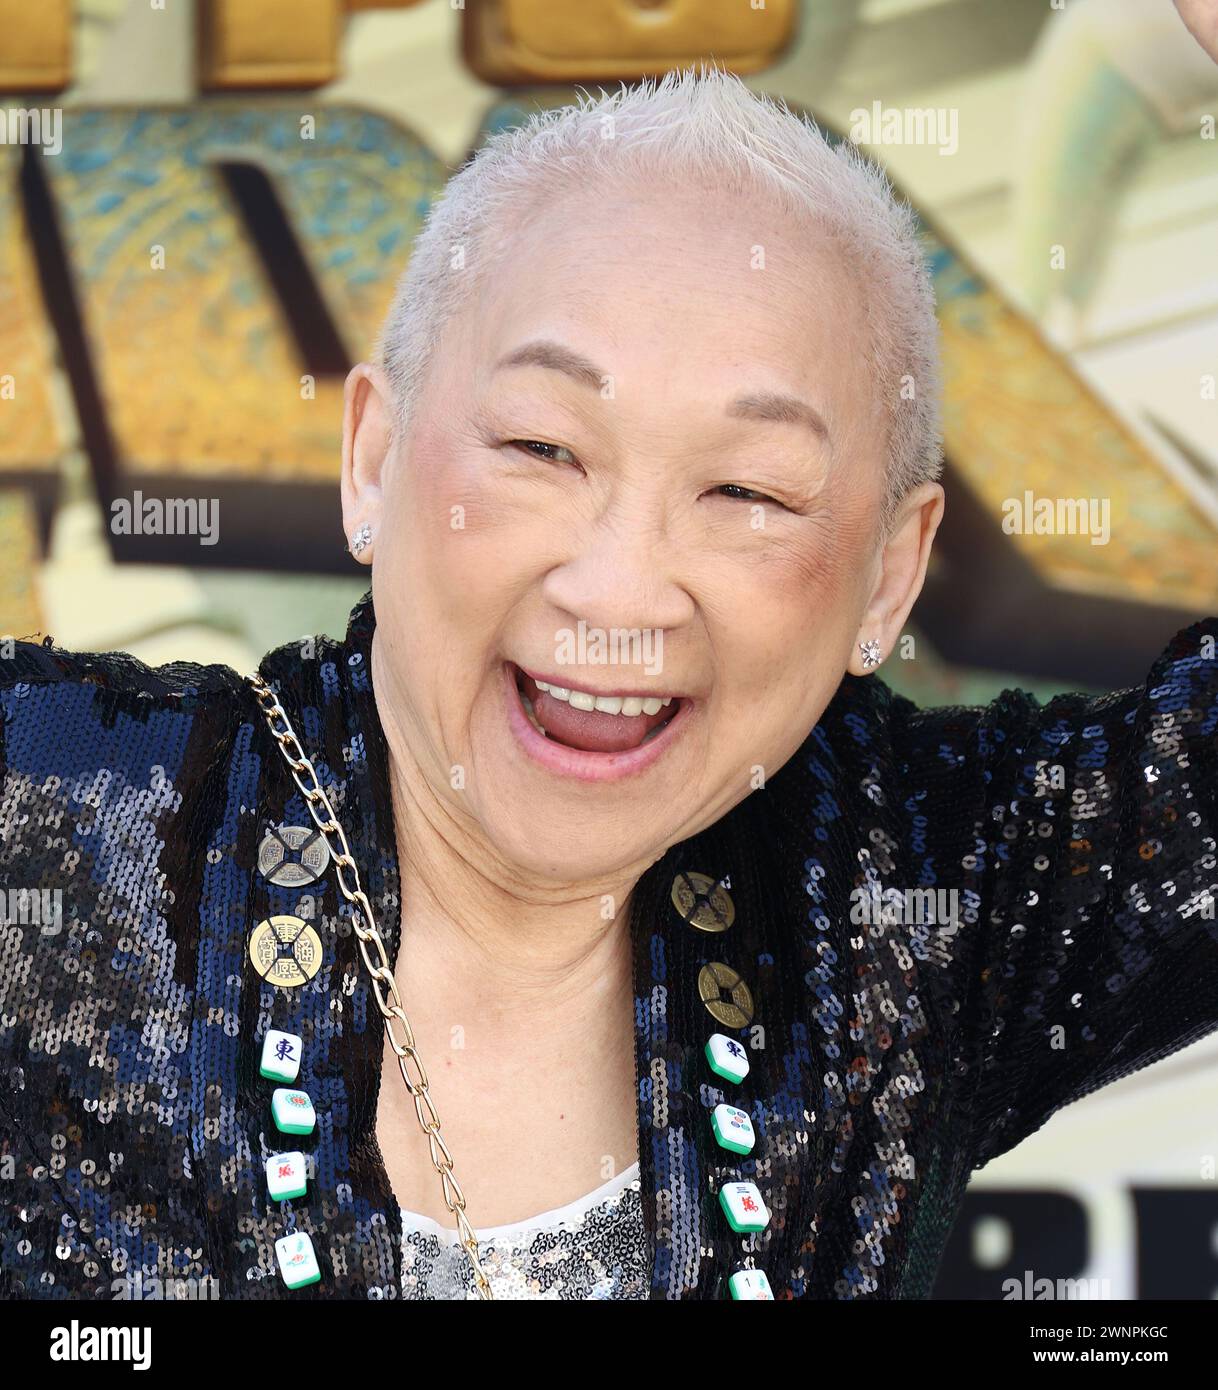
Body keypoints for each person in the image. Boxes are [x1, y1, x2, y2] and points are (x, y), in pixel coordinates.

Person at [1, 66, 1215, 1303]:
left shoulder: (901, 904)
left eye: (747, 492)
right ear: (371, 459)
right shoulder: (63, 814)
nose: (621, 592)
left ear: (889, 580)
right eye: (542, 447)